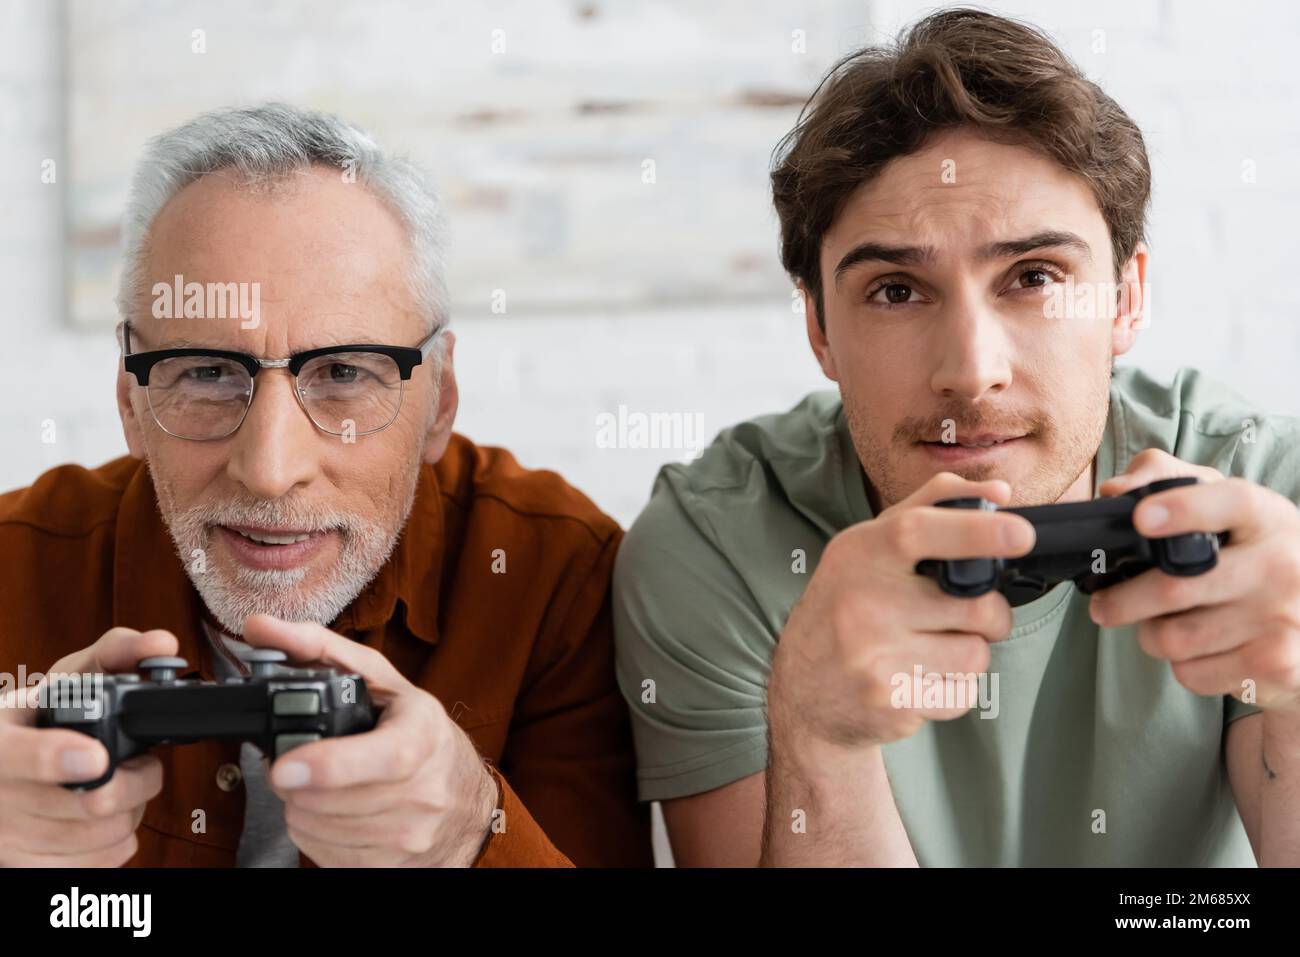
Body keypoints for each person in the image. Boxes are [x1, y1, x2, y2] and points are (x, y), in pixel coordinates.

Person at [612, 9, 1300, 866]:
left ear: (1125, 300)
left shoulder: (1270, 490)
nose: (971, 372)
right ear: (819, 328)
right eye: (897, 290)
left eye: (1035, 277)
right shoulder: (713, 547)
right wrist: (819, 738)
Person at [0, 103, 651, 868]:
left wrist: (474, 831)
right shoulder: (14, 568)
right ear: (130, 402)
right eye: (207, 373)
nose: (271, 471)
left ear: (438, 400)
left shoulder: (552, 576)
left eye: (344, 373)